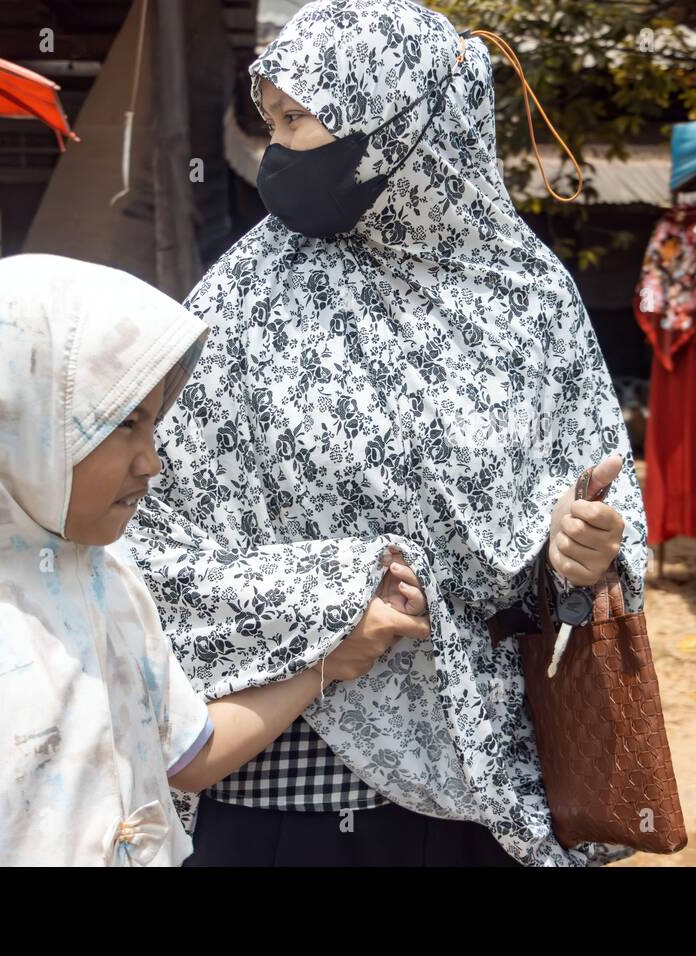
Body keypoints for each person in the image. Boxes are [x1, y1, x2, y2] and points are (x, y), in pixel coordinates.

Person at [125, 0, 647, 867]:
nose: (277, 149)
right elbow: (149, 528)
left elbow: (593, 511)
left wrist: (576, 553)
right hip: (283, 791)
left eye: (299, 118)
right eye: (274, 121)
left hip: (485, 792)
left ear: (402, 119)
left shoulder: (524, 299)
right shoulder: (240, 302)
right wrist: (334, 594)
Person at [0, 254, 429, 865]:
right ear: (11, 421)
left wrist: (322, 666)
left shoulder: (101, 578)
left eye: (152, 428)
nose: (150, 462)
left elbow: (188, 754)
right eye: (123, 425)